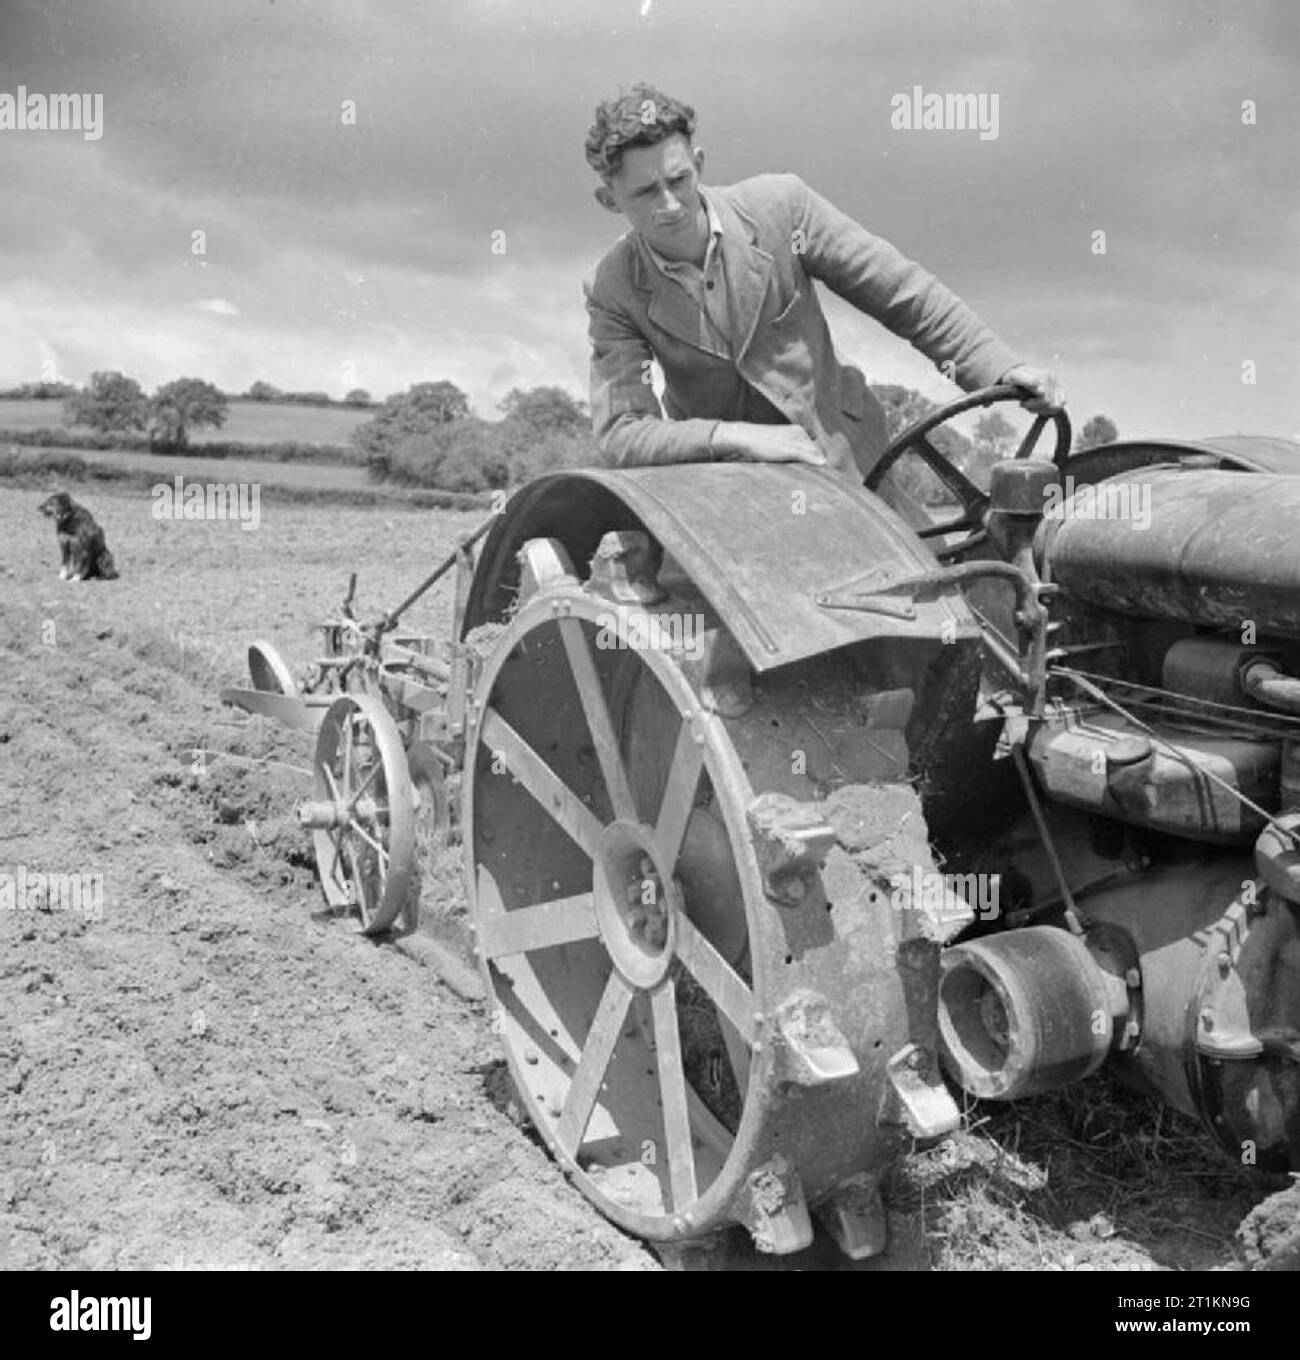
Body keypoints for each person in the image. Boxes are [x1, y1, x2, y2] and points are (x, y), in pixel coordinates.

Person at [583, 83, 1065, 482]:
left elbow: (904, 295)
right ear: (610, 200)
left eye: (678, 180)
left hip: (850, 461)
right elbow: (622, 431)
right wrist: (734, 436)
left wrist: (999, 369)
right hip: (727, 491)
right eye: (646, 192)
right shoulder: (612, 288)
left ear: (699, 164)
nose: (669, 204)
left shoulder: (783, 208)